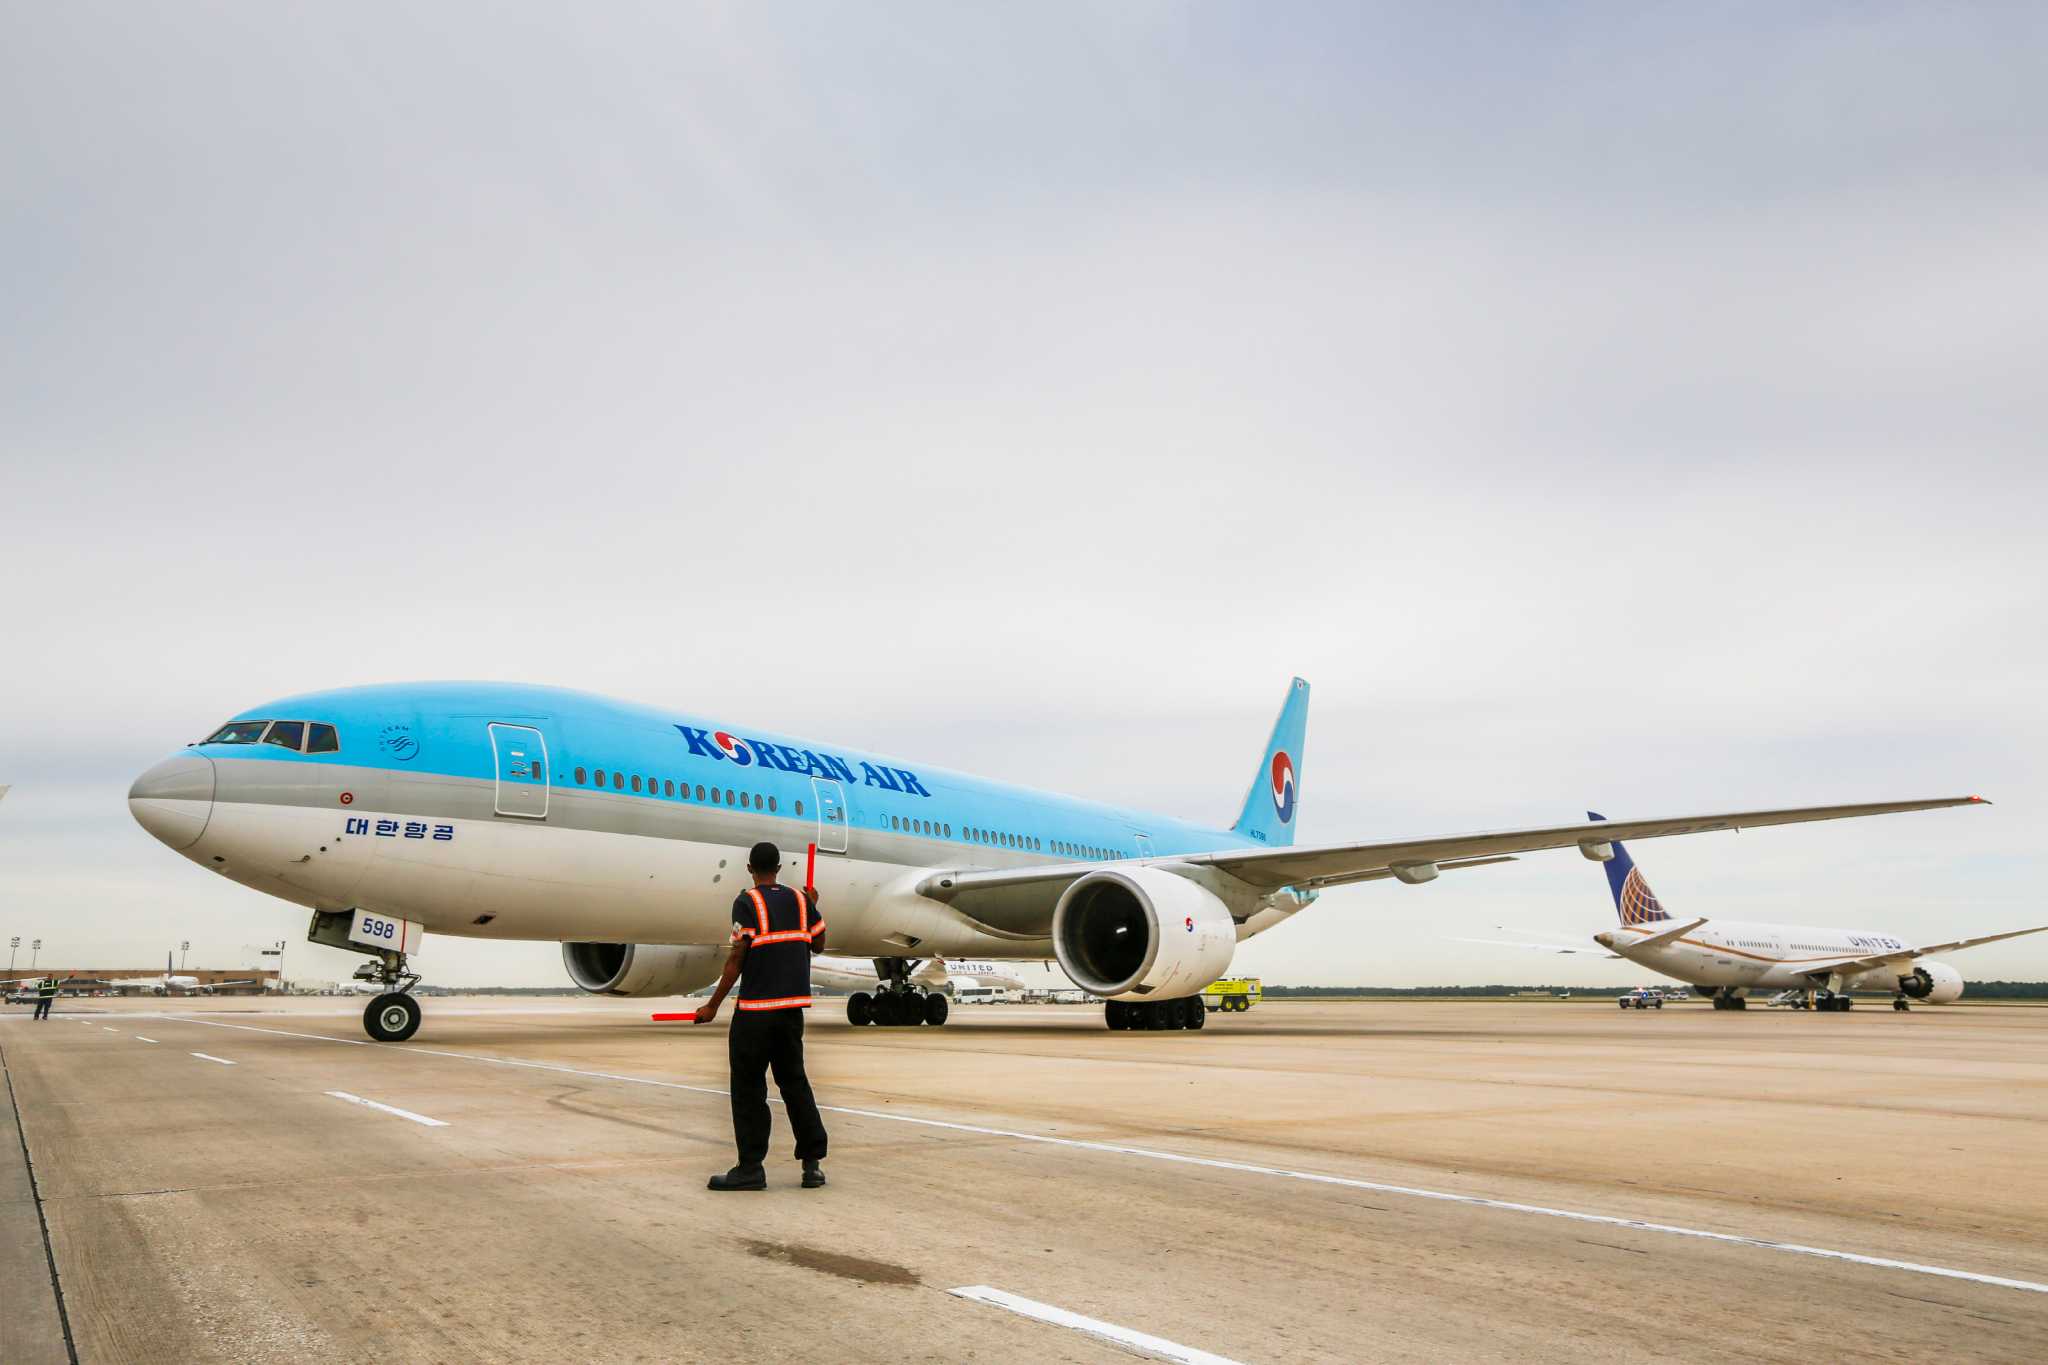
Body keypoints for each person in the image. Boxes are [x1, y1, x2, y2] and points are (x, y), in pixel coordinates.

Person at [694, 841, 830, 1191]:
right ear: (779, 868)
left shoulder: (747, 902)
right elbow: (818, 945)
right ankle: (812, 1166)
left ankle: (751, 1168)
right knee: (795, 1083)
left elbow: (737, 957)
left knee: (748, 1089)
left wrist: (713, 1005)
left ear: (750, 869)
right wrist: (812, 906)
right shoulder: (801, 900)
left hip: (755, 1012)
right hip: (791, 1012)